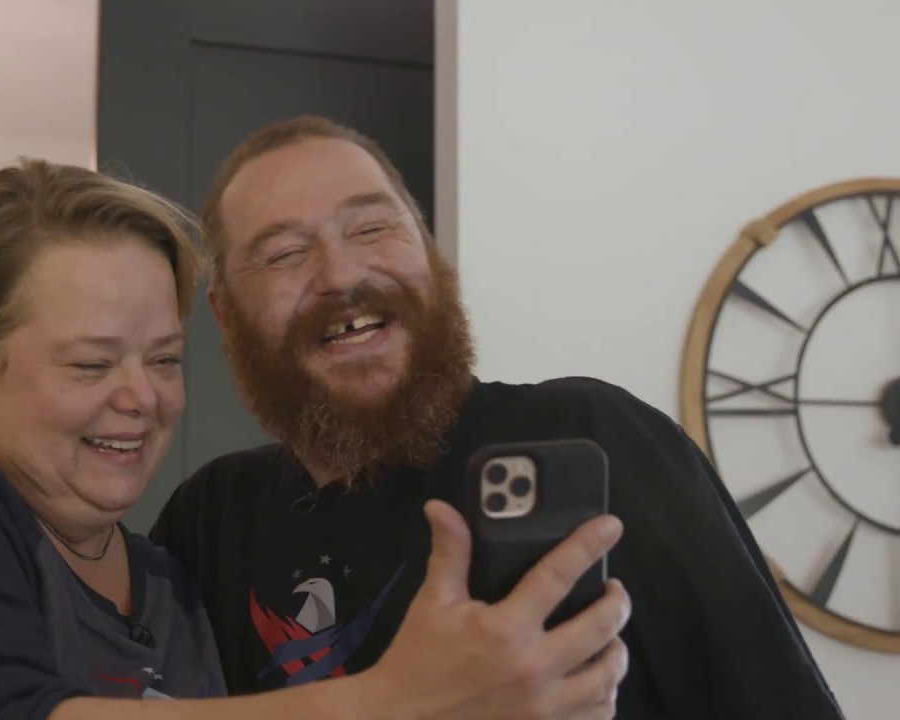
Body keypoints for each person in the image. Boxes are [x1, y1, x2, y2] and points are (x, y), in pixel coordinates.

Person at [0, 158, 628, 720]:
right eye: (92, 364)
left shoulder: (178, 581)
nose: (142, 399)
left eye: (166, 358)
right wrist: (406, 698)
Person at [149, 116, 846, 719]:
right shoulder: (209, 520)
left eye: (372, 226)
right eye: (283, 255)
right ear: (225, 313)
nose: (340, 274)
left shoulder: (590, 434)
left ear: (427, 250)